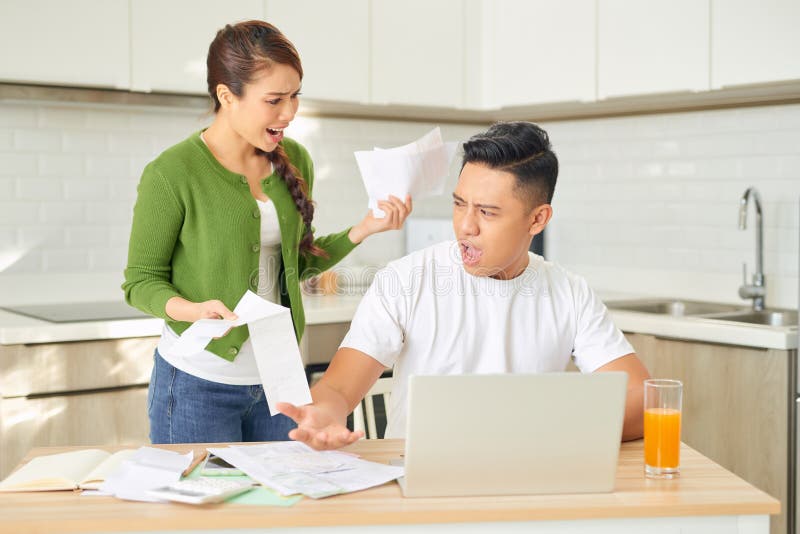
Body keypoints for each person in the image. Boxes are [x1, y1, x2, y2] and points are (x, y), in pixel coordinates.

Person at [122, 20, 412, 444]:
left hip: (282, 383)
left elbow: (300, 261)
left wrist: (363, 230)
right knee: (204, 508)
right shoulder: (172, 173)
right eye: (274, 100)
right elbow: (140, 282)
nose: (290, 113)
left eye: (295, 96)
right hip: (198, 383)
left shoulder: (293, 158)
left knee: (285, 506)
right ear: (226, 95)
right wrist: (193, 309)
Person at [278, 121, 650, 450]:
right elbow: (339, 388)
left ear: (537, 219)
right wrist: (324, 412)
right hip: (419, 486)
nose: (465, 226)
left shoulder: (568, 292)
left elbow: (644, 400)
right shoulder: (405, 280)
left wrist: (541, 433)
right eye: (459, 205)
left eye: (487, 212)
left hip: (527, 484)